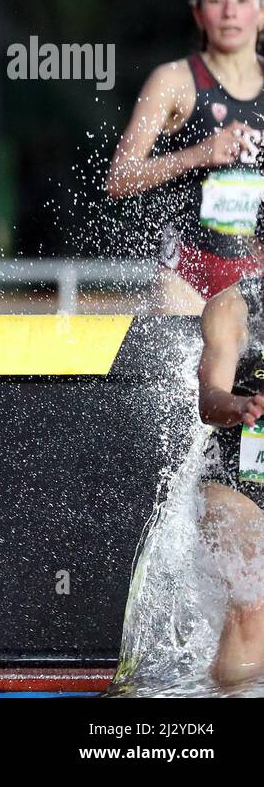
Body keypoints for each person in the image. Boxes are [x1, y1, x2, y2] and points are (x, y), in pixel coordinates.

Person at [107, 0, 264, 314]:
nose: (229, 13)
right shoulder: (173, 80)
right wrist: (199, 154)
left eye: (242, 1)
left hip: (254, 274)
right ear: (198, 14)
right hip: (187, 274)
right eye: (216, 1)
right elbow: (119, 179)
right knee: (187, 365)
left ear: (261, 13)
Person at [195, 275, 264, 685]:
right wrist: (242, 406)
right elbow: (209, 400)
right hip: (235, 483)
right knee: (253, 586)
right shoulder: (234, 307)